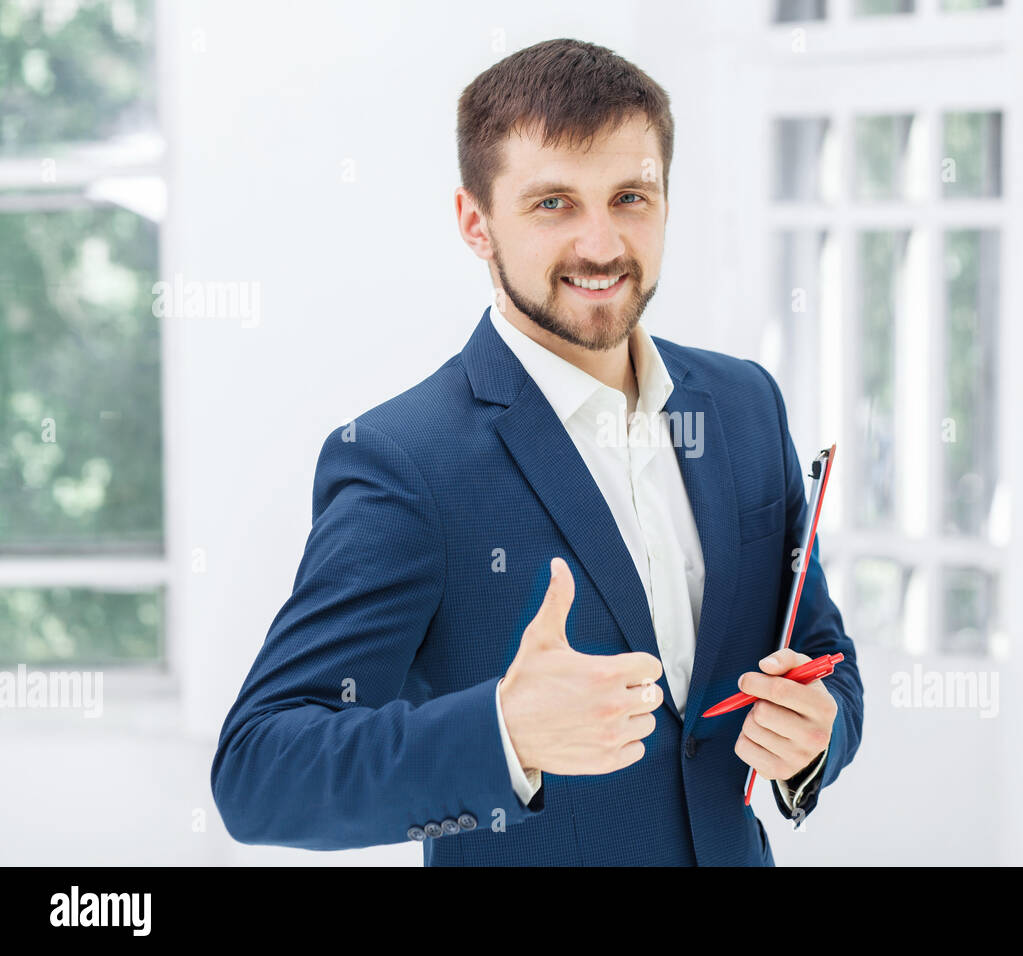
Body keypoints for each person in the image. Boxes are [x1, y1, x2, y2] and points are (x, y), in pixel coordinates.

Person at [210, 37, 862, 867]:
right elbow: (261, 771)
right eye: (553, 203)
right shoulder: (404, 461)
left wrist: (817, 737)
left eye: (631, 196)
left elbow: (822, 657)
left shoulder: (743, 405)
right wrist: (504, 732)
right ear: (475, 224)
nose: (601, 245)